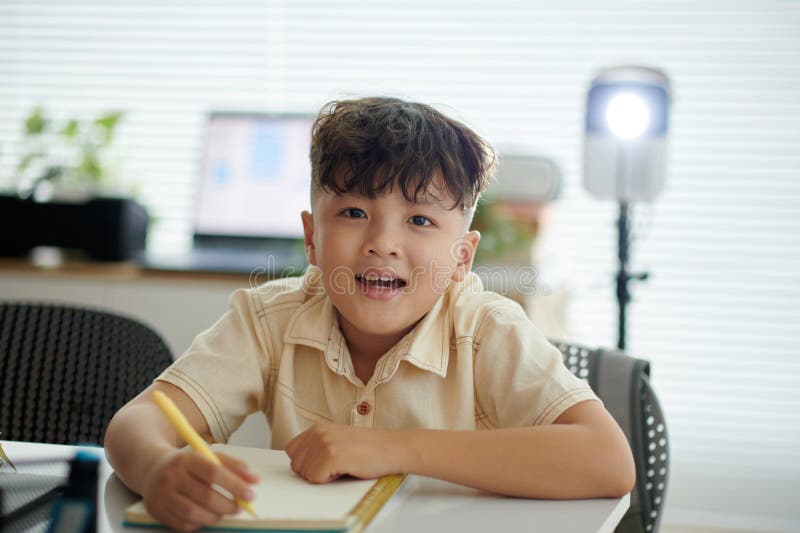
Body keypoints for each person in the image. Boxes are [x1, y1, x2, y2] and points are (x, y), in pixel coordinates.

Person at [105, 96, 635, 532]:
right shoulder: (270, 318)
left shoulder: (486, 331)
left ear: (462, 258)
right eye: (355, 212)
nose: (383, 243)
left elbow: (608, 461)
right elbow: (137, 422)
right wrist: (157, 468)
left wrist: (393, 448)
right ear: (313, 239)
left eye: (421, 220)